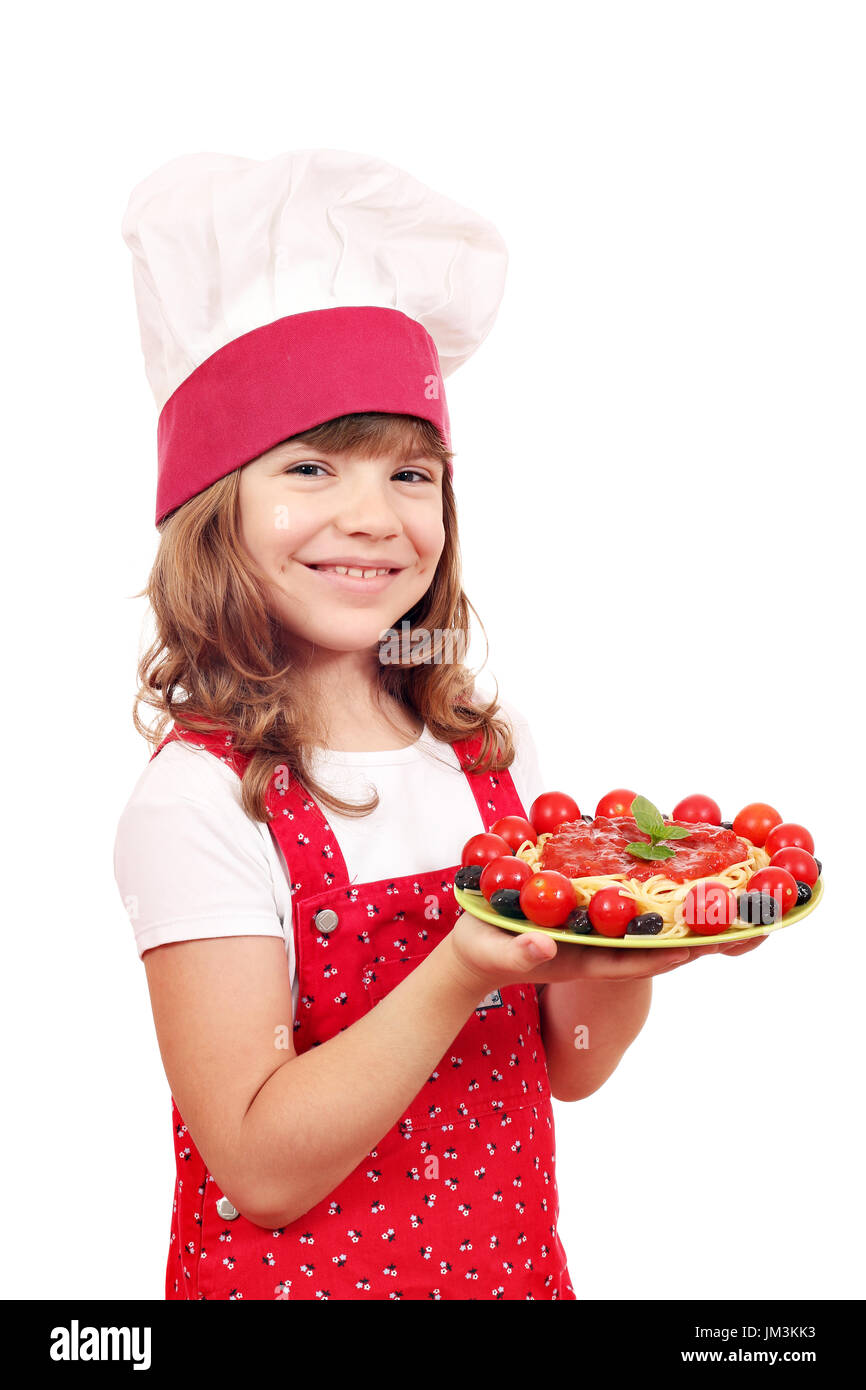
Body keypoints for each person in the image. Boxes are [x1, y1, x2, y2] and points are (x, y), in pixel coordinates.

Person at [114, 149, 764, 1302]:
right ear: (210, 509)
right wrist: (459, 967)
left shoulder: (481, 749)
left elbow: (567, 1069)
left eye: (411, 474)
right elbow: (261, 1169)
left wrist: (621, 958)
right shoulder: (201, 799)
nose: (371, 517)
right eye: (311, 467)